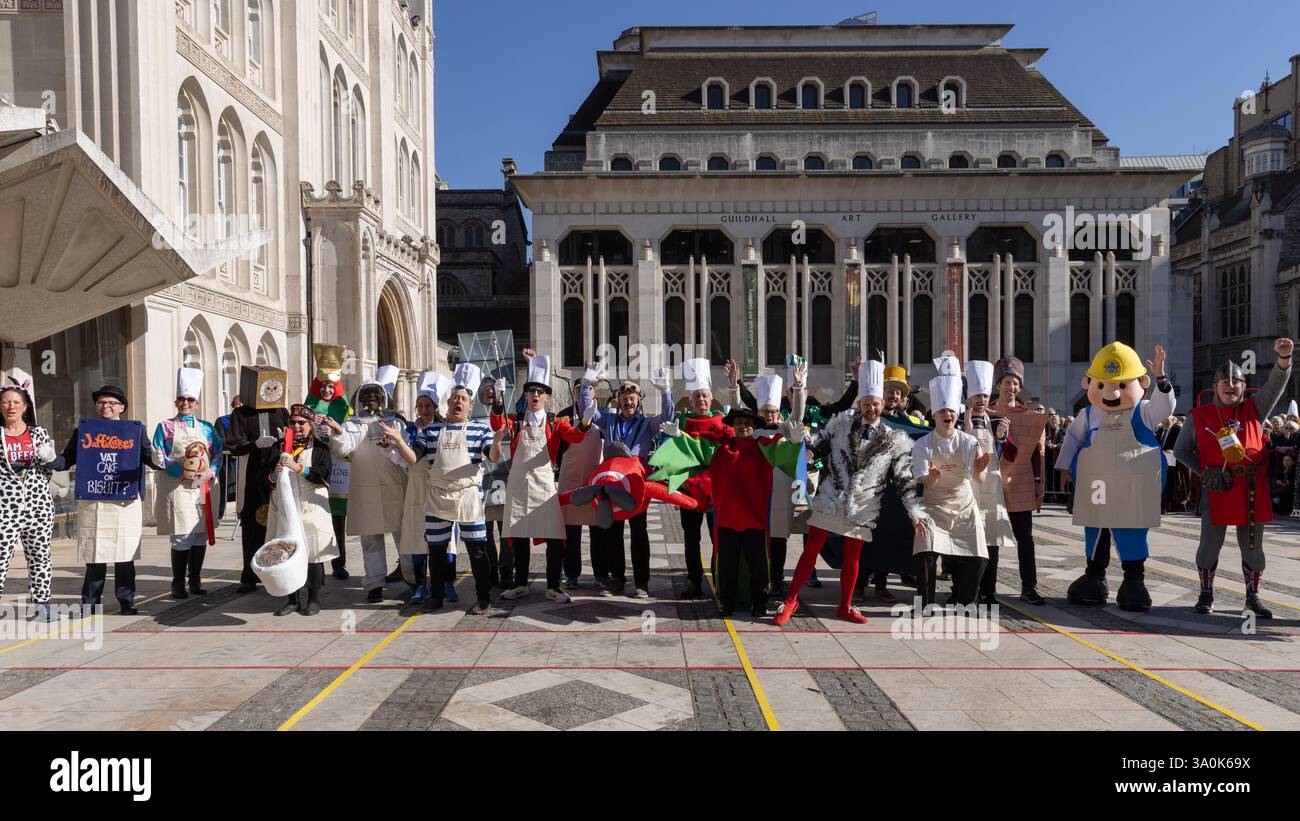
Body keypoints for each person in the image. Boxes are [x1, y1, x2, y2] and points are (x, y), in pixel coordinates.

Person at [771, 361, 927, 626]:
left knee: (853, 557)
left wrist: (915, 512)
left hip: (864, 505)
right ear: (859, 402)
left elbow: (903, 478)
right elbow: (817, 448)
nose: (871, 407)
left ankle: (845, 606)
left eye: (875, 403)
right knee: (811, 549)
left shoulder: (894, 438)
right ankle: (791, 600)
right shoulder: (839, 424)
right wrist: (804, 445)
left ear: (881, 405)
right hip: (831, 497)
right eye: (866, 402)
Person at [1175, 339, 1294, 617]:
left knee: (1253, 547)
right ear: (1215, 386)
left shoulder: (1255, 408)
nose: (1232, 387)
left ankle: (1252, 597)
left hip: (1251, 487)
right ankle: (1206, 594)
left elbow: (1275, 386)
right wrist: (1206, 471)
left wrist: (1284, 360)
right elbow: (1181, 450)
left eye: (1237, 382)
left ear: (1243, 386)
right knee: (1209, 545)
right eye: (1226, 383)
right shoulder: (1199, 416)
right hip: (1218, 487)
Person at [1058, 343, 1175, 611]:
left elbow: (1163, 408)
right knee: (1096, 529)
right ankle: (1095, 577)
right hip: (1097, 486)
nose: (1111, 393)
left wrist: (1161, 378)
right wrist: (1065, 467)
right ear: (1089, 383)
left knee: (1131, 530)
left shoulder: (1142, 411)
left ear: (1140, 383)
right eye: (1102, 385)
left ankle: (1134, 580)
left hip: (1132, 488)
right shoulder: (1088, 414)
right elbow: (1073, 438)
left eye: (1122, 385)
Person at [655, 399, 785, 618]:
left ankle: (760, 603)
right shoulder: (721, 448)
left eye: (747, 423)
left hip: (755, 519)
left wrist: (797, 441)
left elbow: (785, 452)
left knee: (759, 567)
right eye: (739, 422)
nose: (743, 426)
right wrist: (678, 436)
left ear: (754, 426)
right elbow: (696, 448)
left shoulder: (764, 448)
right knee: (726, 566)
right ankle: (727, 603)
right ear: (732, 426)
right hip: (727, 519)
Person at [387, 363, 499, 615]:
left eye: (464, 399)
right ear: (448, 403)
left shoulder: (481, 429)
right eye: (455, 398)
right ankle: (435, 596)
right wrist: (397, 441)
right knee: (436, 549)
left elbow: (492, 455)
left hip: (469, 495)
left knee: (477, 548)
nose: (459, 401)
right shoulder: (432, 431)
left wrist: (498, 443)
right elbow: (414, 458)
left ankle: (483, 597)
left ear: (471, 406)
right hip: (437, 495)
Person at [49, 385, 163, 615]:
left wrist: (158, 459)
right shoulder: (84, 430)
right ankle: (90, 602)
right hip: (94, 501)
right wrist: (50, 459)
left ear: (121, 407)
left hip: (125, 501)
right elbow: (66, 459)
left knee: (125, 554)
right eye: (101, 402)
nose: (106, 406)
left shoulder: (135, 430)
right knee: (94, 554)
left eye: (111, 403)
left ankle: (126, 601)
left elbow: (150, 459)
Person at [490, 353, 588, 603]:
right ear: (525, 395)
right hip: (518, 485)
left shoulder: (556, 423)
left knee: (555, 535)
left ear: (546, 397)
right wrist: (498, 401)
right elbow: (496, 423)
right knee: (518, 536)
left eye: (540, 392)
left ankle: (553, 585)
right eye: (531, 391)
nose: (535, 395)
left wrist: (586, 422)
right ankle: (521, 583)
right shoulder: (515, 421)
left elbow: (576, 436)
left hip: (544, 485)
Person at [583, 365, 675, 597]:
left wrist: (665, 392)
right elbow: (588, 413)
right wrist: (586, 387)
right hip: (612, 482)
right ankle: (617, 578)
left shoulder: (647, 424)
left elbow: (668, 418)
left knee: (638, 531)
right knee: (613, 533)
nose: (628, 402)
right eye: (624, 398)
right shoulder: (609, 420)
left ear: (638, 402)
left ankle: (641, 582)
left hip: (635, 484)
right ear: (619, 401)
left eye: (632, 399)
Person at [912, 356, 991, 609]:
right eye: (942, 411)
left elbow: (978, 478)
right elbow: (924, 481)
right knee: (924, 550)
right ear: (934, 415)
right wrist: (931, 477)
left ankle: (966, 600)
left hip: (964, 504)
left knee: (978, 555)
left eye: (951, 411)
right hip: (934, 506)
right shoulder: (923, 444)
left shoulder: (968, 442)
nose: (947, 414)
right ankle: (925, 603)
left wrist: (980, 468)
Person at [336, 365, 407, 603]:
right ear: (359, 398)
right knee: (371, 538)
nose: (372, 399)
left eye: (376, 395)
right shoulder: (352, 425)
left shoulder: (395, 423)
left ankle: (412, 578)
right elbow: (343, 447)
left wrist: (393, 446)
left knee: (402, 534)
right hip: (365, 489)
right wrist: (336, 433)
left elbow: (406, 455)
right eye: (367, 395)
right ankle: (374, 583)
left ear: (384, 398)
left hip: (395, 486)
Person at [152, 368, 221, 600]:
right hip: (178, 485)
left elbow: (218, 453)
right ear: (175, 401)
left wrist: (210, 472)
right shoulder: (165, 427)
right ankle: (177, 583)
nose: (185, 403)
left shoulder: (207, 428)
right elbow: (160, 455)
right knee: (182, 534)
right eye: (181, 399)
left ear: (197, 403)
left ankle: (196, 579)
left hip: (203, 487)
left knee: (200, 533)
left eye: (190, 400)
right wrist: (182, 472)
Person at [222, 367, 290, 594]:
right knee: (253, 522)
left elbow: (292, 436)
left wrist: (283, 440)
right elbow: (233, 444)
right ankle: (249, 574)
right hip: (252, 473)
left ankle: (276, 568)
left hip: (277, 471)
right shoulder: (241, 414)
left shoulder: (281, 411)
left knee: (279, 520)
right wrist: (253, 445)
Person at [266, 405, 337, 616]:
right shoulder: (278, 447)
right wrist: (274, 474)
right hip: (286, 506)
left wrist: (300, 469)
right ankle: (292, 599)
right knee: (286, 551)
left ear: (310, 425)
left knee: (313, 552)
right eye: (293, 422)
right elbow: (264, 477)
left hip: (311, 506)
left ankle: (313, 598)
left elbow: (324, 474)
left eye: (301, 423)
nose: (296, 427)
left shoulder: (320, 448)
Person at [989, 355, 1047, 605]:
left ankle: (1028, 586)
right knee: (991, 538)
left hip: (1020, 481)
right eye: (1006, 382)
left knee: (1025, 538)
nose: (1010, 387)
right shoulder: (985, 413)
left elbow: (1038, 453)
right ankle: (987, 587)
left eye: (1015, 383)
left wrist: (1038, 482)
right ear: (997, 385)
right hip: (990, 482)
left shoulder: (1029, 416)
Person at [0, 372, 57, 621]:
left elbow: (48, 471)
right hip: (5, 507)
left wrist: (49, 458)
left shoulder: (39, 433)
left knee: (40, 554)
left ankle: (42, 605)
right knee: (1, 554)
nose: (10, 407)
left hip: (38, 505)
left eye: (15, 402)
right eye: (5, 402)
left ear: (25, 406)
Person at [674, 357, 732, 598]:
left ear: (711, 398)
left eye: (704, 395)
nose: (701, 400)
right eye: (697, 396)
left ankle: (719, 578)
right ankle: (694, 580)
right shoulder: (684, 423)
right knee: (691, 540)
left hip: (717, 492)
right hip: (690, 492)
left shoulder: (722, 422)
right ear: (691, 400)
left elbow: (734, 446)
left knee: (718, 539)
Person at [963, 360, 1015, 606]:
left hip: (992, 491)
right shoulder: (960, 422)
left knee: (992, 544)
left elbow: (1010, 458)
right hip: (970, 490)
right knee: (970, 544)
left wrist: (1003, 439)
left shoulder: (997, 421)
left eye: (984, 394)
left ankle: (989, 592)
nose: (981, 399)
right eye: (976, 395)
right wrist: (965, 431)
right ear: (968, 396)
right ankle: (968, 592)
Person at [400, 371, 452, 605]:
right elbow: (401, 457)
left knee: (445, 537)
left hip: (438, 484)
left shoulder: (444, 427)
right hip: (416, 485)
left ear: (435, 406)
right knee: (416, 534)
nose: (424, 409)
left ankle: (447, 582)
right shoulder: (409, 430)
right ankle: (421, 584)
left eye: (428, 405)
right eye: (420, 405)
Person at [554, 367, 606, 591]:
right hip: (570, 479)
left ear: (593, 392)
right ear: (575, 394)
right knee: (571, 532)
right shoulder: (563, 415)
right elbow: (558, 448)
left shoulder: (601, 416)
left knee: (598, 530)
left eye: (587, 389)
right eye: (579, 390)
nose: (583, 393)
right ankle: (572, 575)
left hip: (594, 478)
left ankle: (601, 574)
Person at [304, 343, 353, 580]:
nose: (326, 390)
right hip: (316, 464)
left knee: (337, 517)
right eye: (323, 386)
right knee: (315, 516)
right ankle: (317, 565)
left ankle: (339, 563)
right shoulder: (307, 410)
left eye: (330, 386)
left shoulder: (346, 410)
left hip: (339, 465)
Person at [479, 376, 514, 589]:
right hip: (480, 478)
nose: (491, 393)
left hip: (502, 476)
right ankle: (491, 568)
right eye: (487, 390)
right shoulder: (472, 415)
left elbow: (499, 424)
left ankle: (507, 569)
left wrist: (500, 404)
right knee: (485, 531)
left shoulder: (503, 413)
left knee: (505, 530)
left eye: (494, 390)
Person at [215, 395, 242, 521]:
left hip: (244, 461)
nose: (240, 406)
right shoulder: (223, 421)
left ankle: (242, 517)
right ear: (233, 405)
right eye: (237, 404)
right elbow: (220, 440)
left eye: (242, 404)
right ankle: (219, 515)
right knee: (223, 491)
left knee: (244, 490)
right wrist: (236, 450)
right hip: (228, 462)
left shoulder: (249, 421)